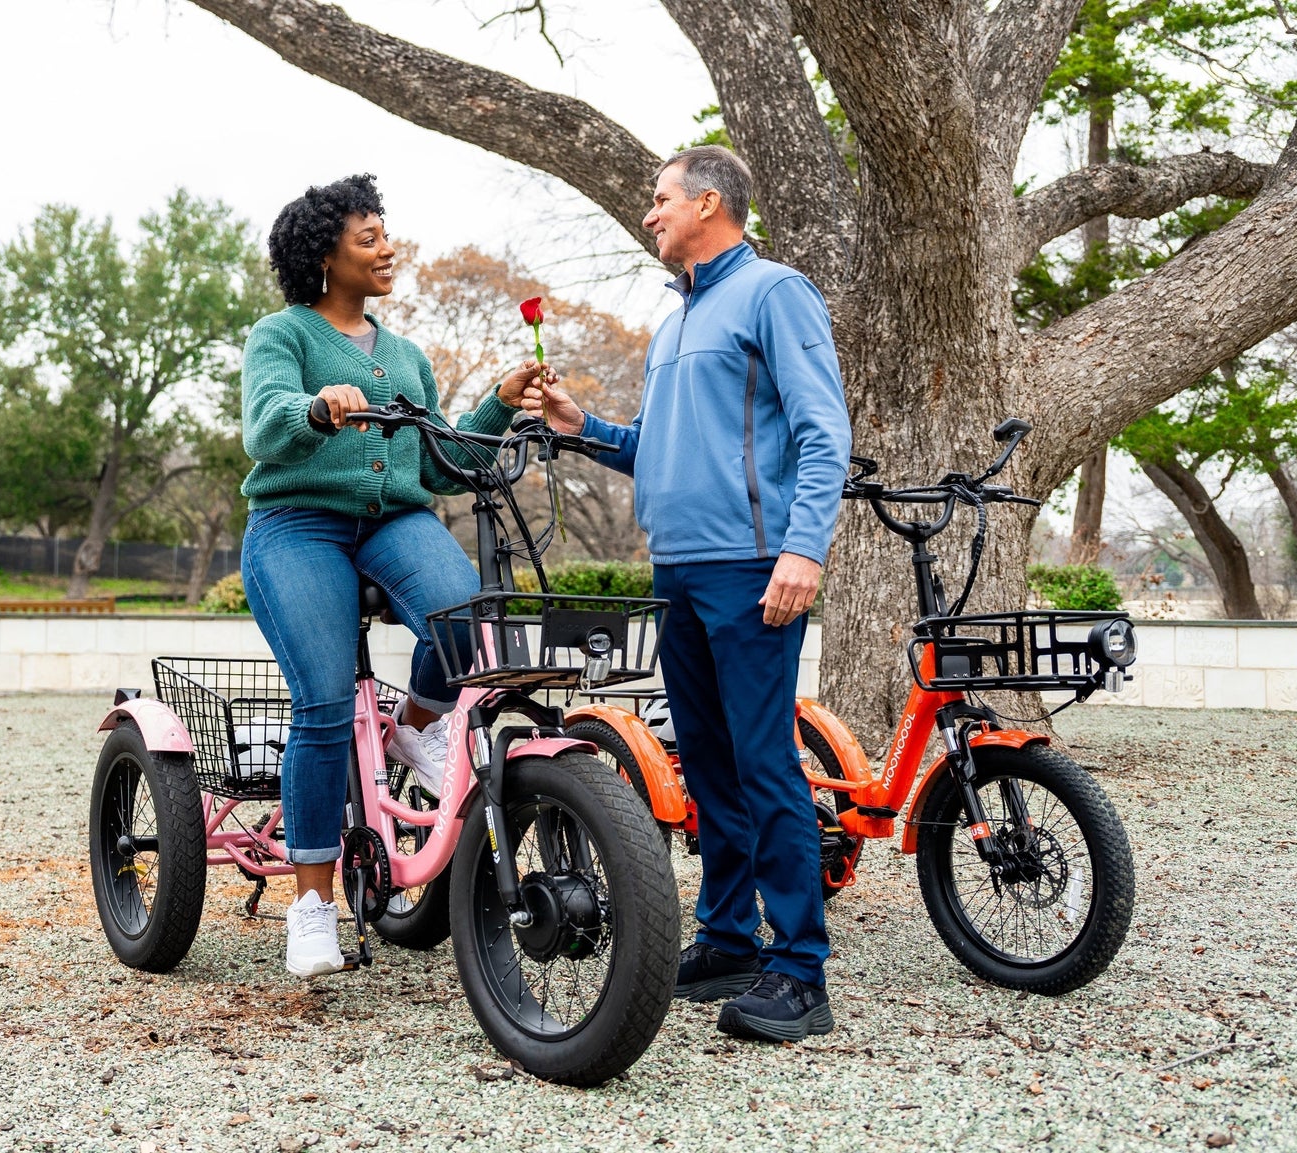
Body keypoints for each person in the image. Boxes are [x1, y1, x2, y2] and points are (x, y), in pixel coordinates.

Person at [521, 145, 853, 1041]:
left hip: (755, 570)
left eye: (659, 199)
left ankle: (799, 972)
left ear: (709, 202)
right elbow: (657, 447)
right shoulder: (673, 323)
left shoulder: (777, 292)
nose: (649, 213)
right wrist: (582, 428)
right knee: (706, 765)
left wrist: (803, 550)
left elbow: (825, 430)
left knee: (764, 762)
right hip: (681, 572)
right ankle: (730, 938)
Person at [241, 174, 554, 978]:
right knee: (320, 698)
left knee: (469, 621)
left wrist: (497, 404)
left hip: (394, 520)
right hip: (296, 524)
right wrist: (317, 409)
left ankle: (415, 721)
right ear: (324, 255)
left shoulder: (407, 355)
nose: (388, 247)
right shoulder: (283, 334)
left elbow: (446, 464)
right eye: (369, 236)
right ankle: (311, 904)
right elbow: (266, 425)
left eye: (387, 232)